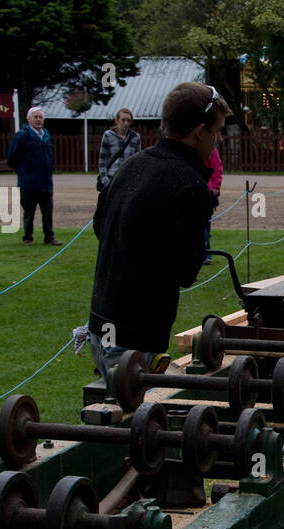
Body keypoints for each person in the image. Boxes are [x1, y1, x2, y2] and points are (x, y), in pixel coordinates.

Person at [88, 81, 228, 382]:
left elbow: (102, 227)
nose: (217, 140)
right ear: (199, 131)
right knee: (139, 424)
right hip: (136, 339)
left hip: (100, 328)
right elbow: (186, 271)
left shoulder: (132, 165)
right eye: (216, 131)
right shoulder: (190, 185)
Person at [6, 106, 60, 245]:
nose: (38, 120)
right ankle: (27, 238)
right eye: (35, 117)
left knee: (47, 213)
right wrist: (23, 170)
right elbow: (11, 157)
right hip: (28, 182)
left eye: (40, 117)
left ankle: (49, 237)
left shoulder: (46, 134)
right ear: (29, 119)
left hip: (46, 182)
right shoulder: (22, 135)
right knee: (29, 212)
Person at [97, 108, 141, 191]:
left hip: (128, 177)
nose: (126, 123)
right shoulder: (108, 135)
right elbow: (102, 160)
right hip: (112, 176)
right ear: (117, 121)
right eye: (123, 120)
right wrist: (105, 180)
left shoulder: (135, 137)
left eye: (128, 120)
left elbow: (138, 161)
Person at [204, 142, 223, 264]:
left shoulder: (210, 148)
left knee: (205, 223)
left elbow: (217, 167)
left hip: (208, 190)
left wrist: (215, 186)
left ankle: (207, 254)